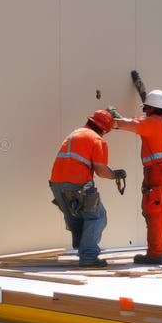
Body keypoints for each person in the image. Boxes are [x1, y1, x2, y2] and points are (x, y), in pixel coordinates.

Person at [49, 110, 127, 268]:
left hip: (56, 184)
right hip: (78, 185)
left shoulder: (75, 133)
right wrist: (115, 175)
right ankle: (89, 256)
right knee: (97, 217)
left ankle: (82, 247)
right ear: (104, 129)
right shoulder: (97, 140)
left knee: (75, 215)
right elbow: (100, 170)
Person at [114, 89, 162, 265]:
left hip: (159, 173)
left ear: (151, 109)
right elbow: (141, 122)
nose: (145, 111)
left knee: (155, 212)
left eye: (146, 109)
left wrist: (112, 119)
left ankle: (155, 254)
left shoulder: (152, 122)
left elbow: (129, 125)